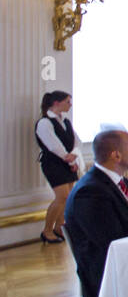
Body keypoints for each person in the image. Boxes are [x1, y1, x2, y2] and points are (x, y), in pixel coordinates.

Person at [63, 129, 128, 297]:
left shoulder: (122, 183)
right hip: (112, 274)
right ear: (116, 155)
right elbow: (112, 243)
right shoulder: (90, 192)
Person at [35, 90, 81, 244]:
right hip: (53, 163)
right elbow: (53, 145)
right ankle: (47, 230)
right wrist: (69, 159)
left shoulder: (65, 121)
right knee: (62, 196)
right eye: (68, 101)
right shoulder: (45, 122)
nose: (70, 105)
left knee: (67, 198)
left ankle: (59, 227)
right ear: (56, 103)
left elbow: (76, 141)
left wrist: (73, 156)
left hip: (68, 163)